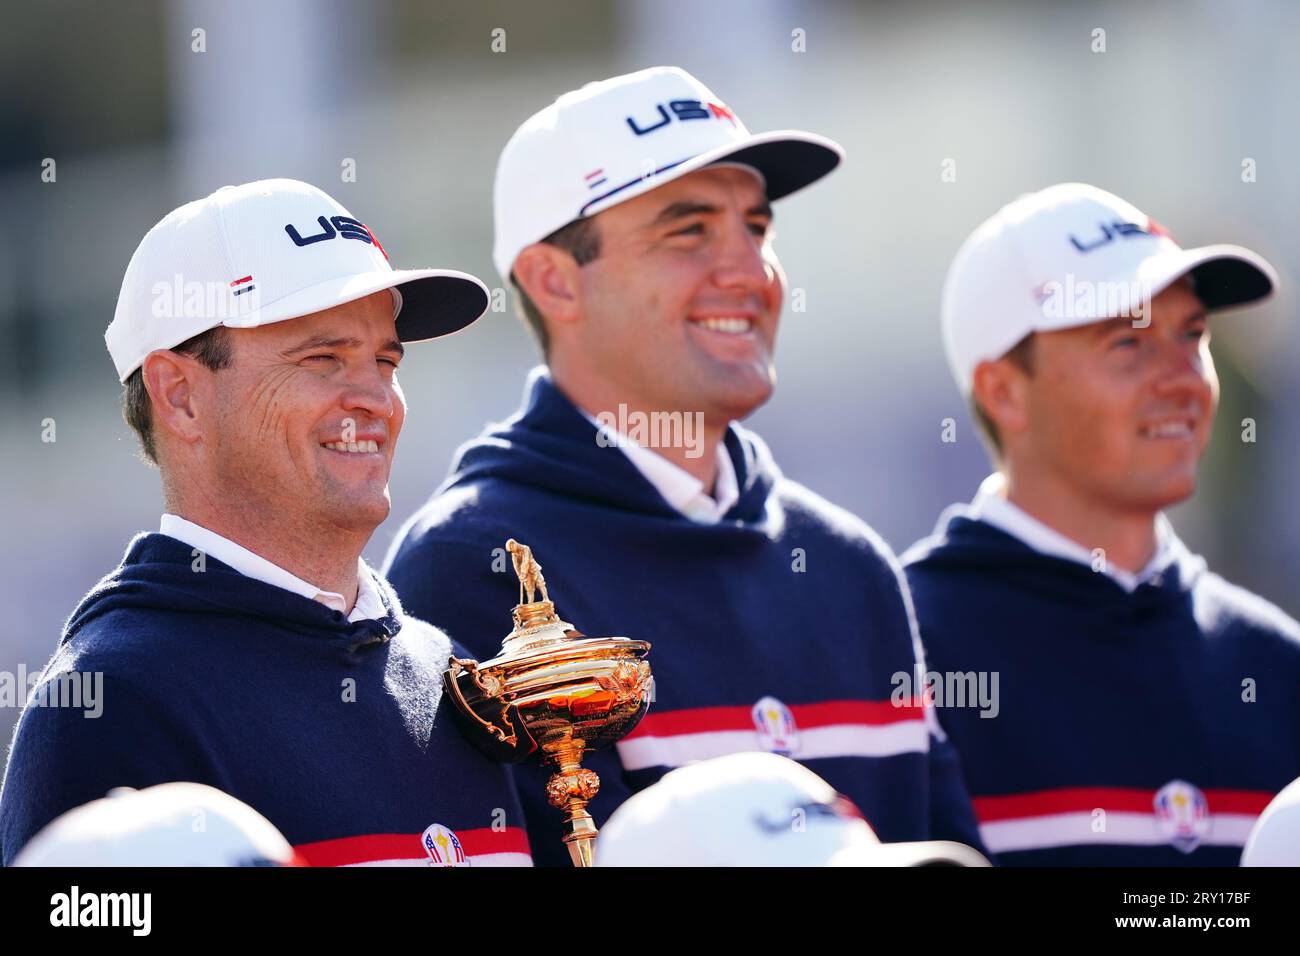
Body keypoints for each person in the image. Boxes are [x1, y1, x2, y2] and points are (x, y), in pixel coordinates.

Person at [384, 66, 983, 864]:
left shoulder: (850, 565)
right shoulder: (471, 567)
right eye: (689, 230)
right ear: (554, 281)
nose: (750, 272)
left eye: (757, 230)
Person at [0, 178, 532, 867]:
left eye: (385, 360)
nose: (376, 398)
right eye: (322, 358)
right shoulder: (111, 701)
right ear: (181, 396)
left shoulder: (453, 678)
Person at [902, 182, 1300, 865]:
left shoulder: (1277, 663)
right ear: (1003, 391)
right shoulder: (897, 647)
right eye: (1128, 341)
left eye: (1193, 335)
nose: (1184, 378)